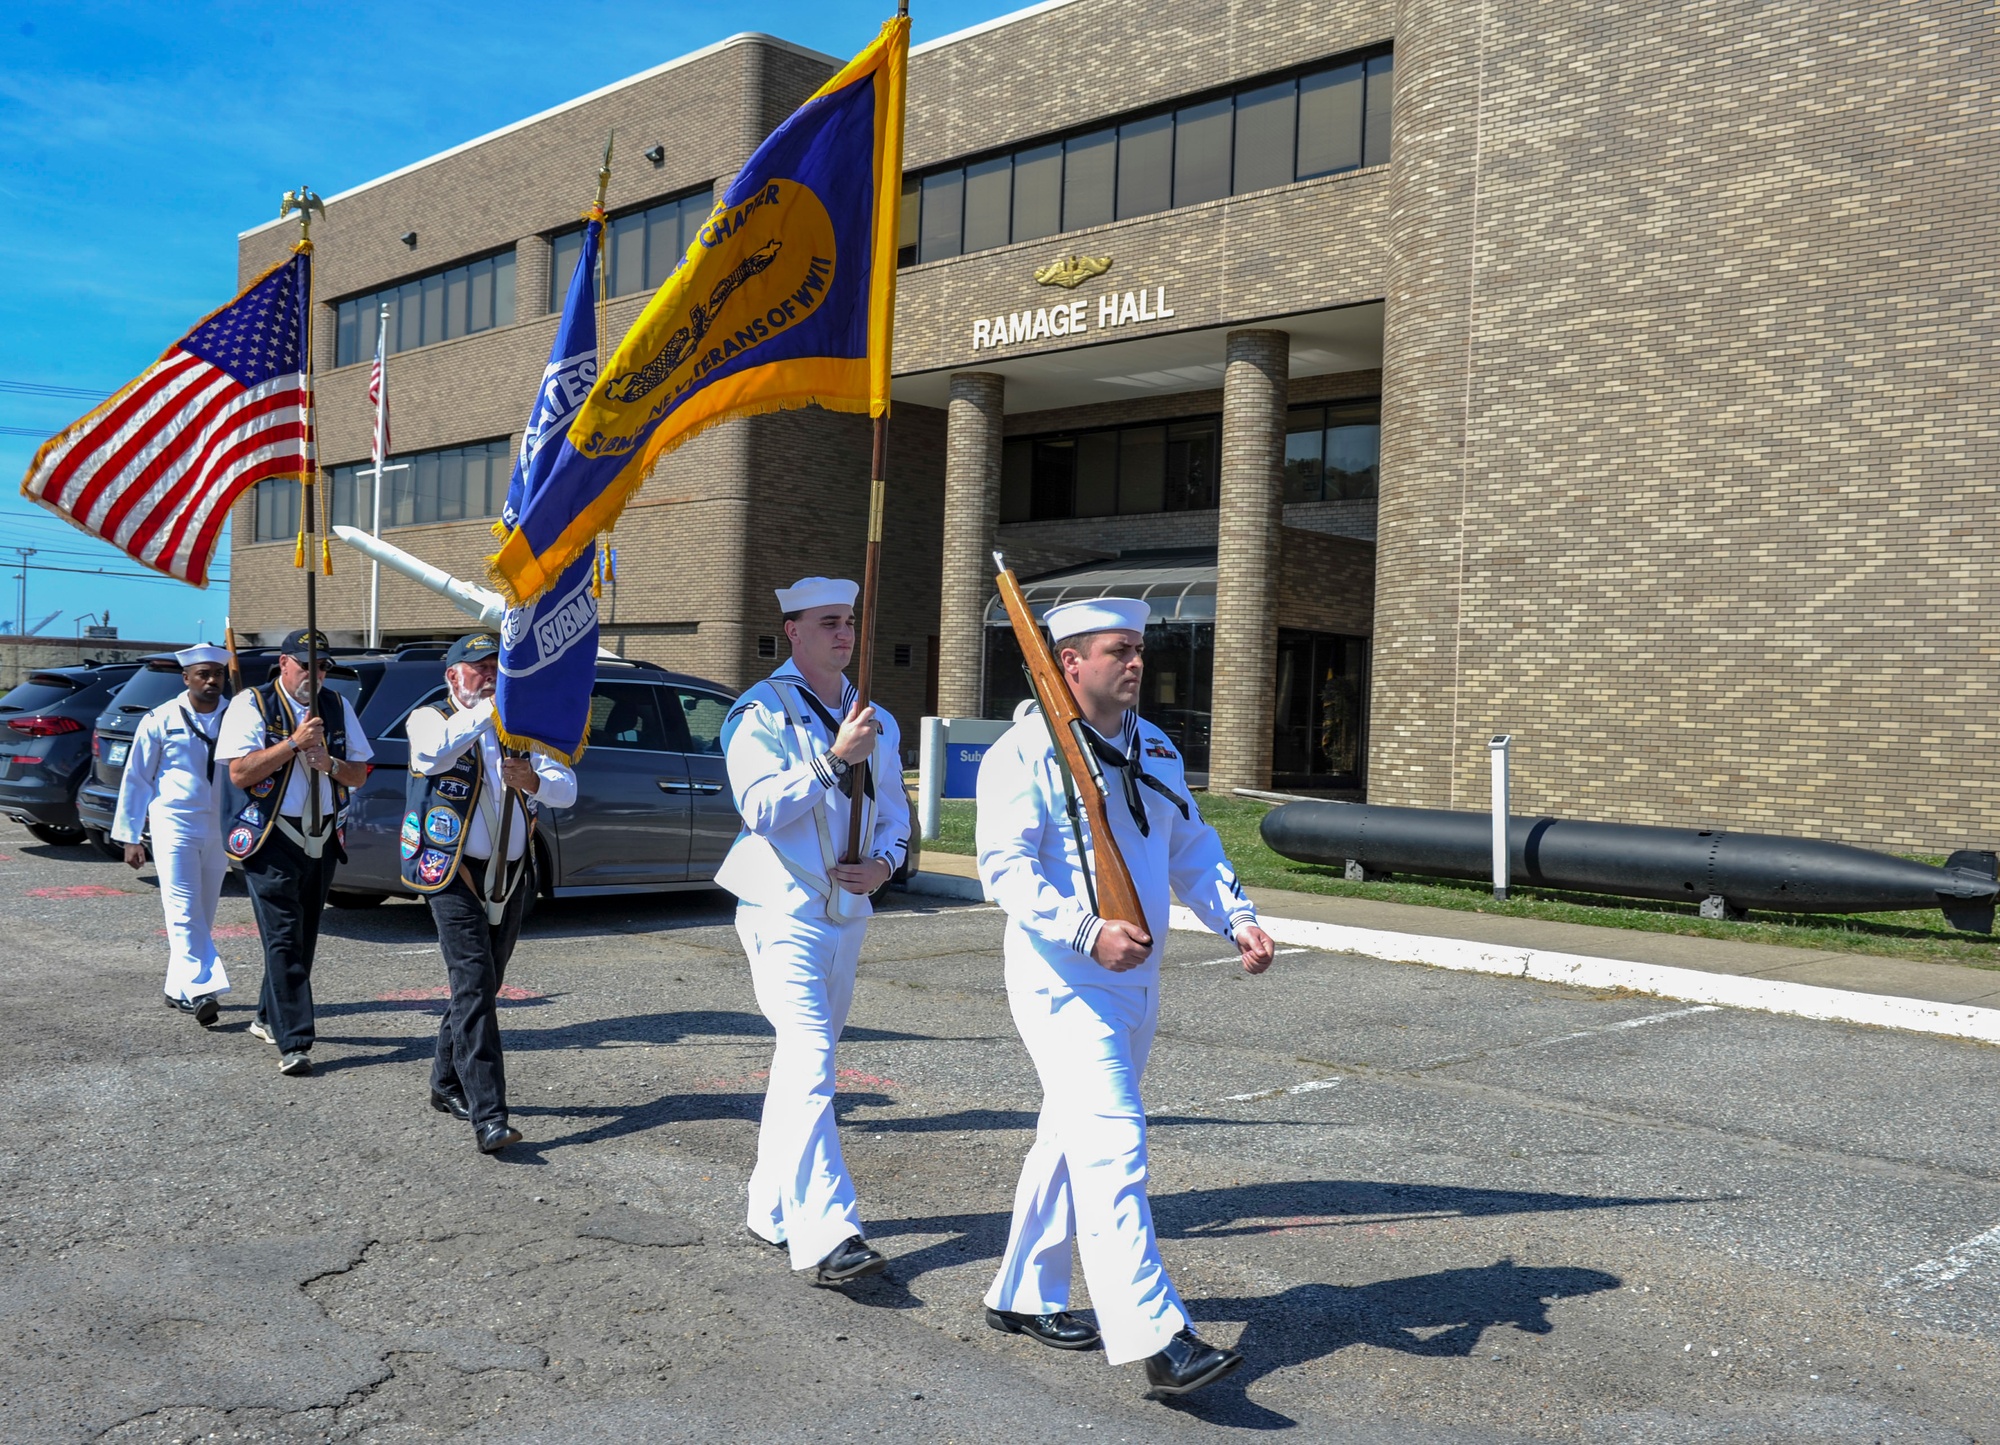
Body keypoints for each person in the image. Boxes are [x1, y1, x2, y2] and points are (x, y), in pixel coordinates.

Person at [976, 597, 1277, 1399]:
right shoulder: (1025, 752)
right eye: (1119, 650)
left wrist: (1236, 917)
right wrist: (1083, 930)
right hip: (1062, 976)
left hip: (1137, 976)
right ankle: (1156, 1336)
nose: (1137, 662)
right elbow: (1003, 868)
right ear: (1070, 661)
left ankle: (1020, 1291)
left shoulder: (1158, 748)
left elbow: (1191, 845)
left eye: (1141, 648)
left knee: (1071, 1138)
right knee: (1114, 1141)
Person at [717, 576, 911, 1286]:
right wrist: (833, 759)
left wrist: (886, 863)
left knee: (804, 1062)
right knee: (809, 1055)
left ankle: (769, 1205)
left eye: (850, 621)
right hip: (780, 909)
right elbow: (762, 808)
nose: (844, 634)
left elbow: (896, 812)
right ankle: (830, 1231)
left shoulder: (874, 718)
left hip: (845, 914)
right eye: (828, 622)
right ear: (792, 630)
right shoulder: (758, 711)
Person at [402, 633, 577, 1154]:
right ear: (452, 676)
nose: (489, 677)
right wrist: (494, 709)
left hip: (511, 872)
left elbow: (566, 789)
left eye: (495, 668)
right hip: (451, 870)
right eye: (478, 669)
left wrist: (534, 780)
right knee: (474, 982)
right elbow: (433, 755)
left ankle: (444, 1081)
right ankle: (490, 1114)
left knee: (482, 985)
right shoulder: (429, 718)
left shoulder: (521, 730)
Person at [216, 629, 373, 1077]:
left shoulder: (337, 707)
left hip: (321, 835)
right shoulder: (253, 703)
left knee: (302, 936)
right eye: (308, 664)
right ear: (284, 663)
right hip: (272, 836)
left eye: (323, 665)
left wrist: (331, 764)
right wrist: (293, 745)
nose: (317, 673)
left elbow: (359, 773)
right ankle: (296, 1041)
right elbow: (240, 773)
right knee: (283, 936)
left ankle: (268, 1016)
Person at [113, 643, 233, 1025]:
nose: (212, 681)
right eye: (204, 674)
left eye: (218, 674)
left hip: (219, 825)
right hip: (174, 823)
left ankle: (176, 988)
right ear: (186, 678)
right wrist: (131, 835)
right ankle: (201, 989)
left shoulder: (239, 717)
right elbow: (137, 779)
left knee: (204, 912)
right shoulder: (160, 719)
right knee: (182, 910)